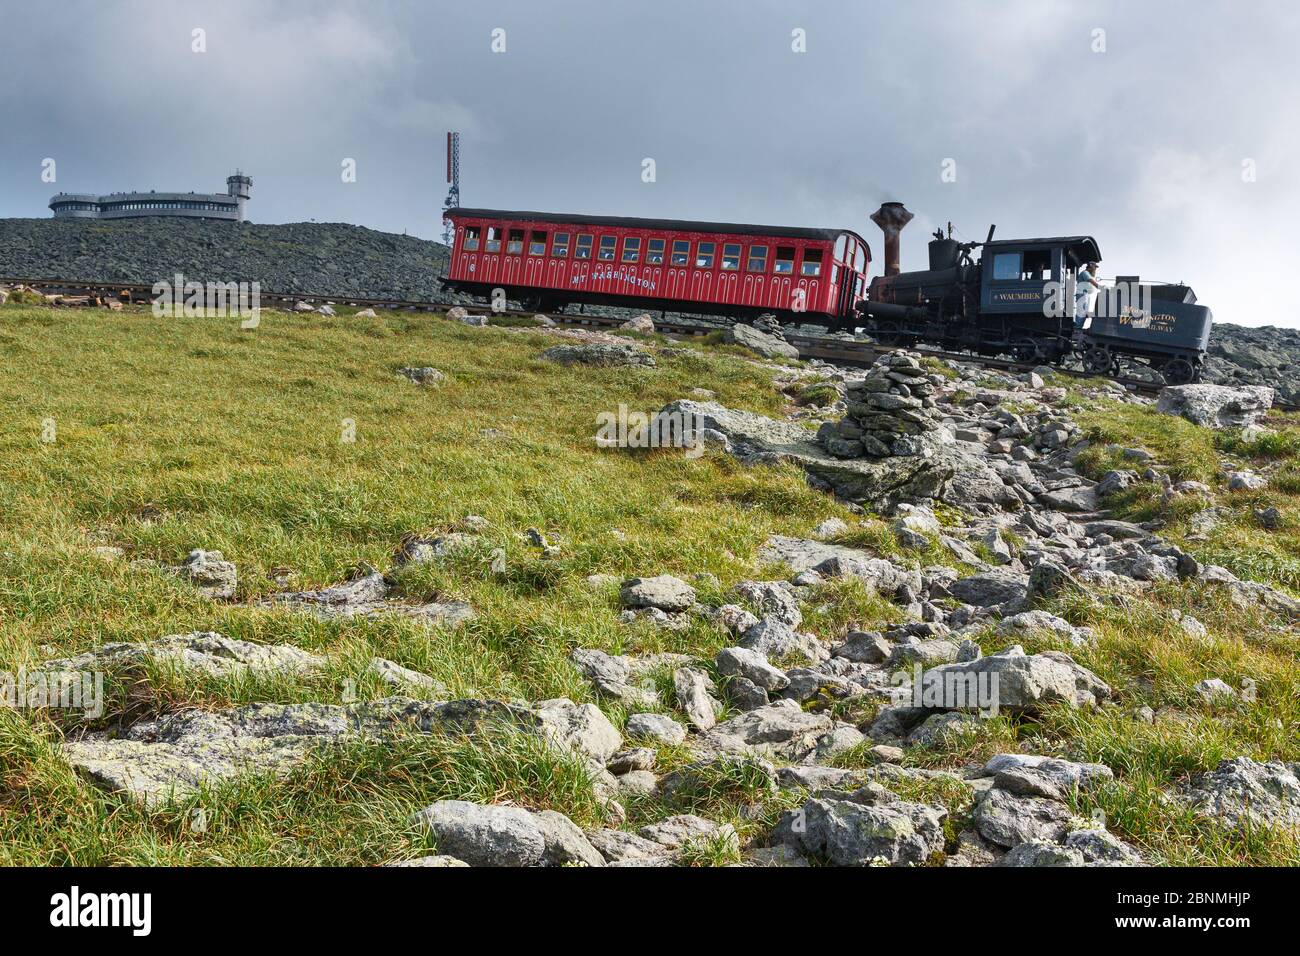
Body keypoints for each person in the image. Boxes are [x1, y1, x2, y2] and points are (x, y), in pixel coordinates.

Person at [1074, 260, 1102, 329]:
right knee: (1082, 311)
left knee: (1084, 312)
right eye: (1095, 267)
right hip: (1082, 294)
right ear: (1091, 266)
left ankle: (1079, 327)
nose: (1095, 269)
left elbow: (1092, 278)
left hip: (1086, 295)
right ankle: (1077, 328)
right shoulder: (1085, 273)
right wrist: (1100, 287)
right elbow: (1091, 280)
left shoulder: (1088, 274)